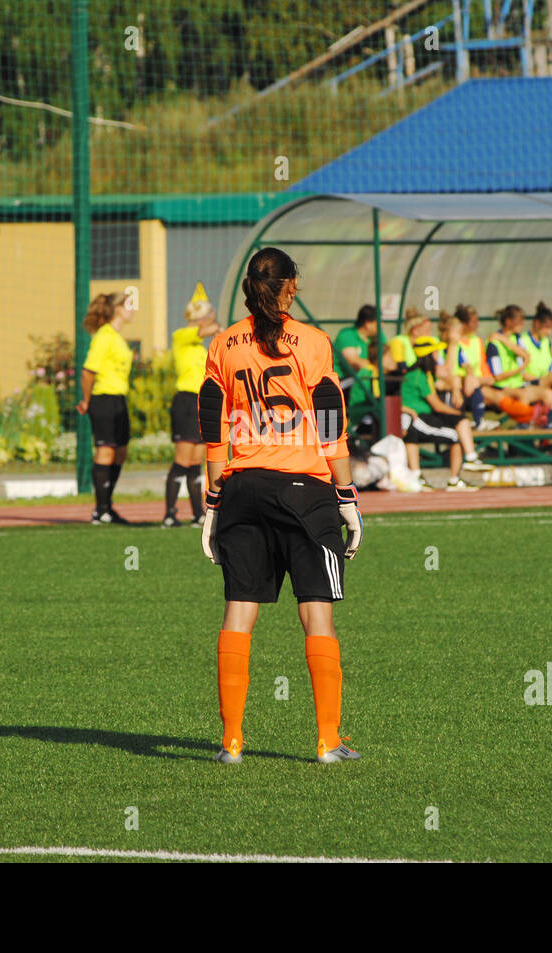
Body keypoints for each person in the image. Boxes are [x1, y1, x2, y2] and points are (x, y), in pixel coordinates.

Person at [198, 246, 364, 765]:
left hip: (243, 487)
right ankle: (328, 741)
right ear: (289, 287)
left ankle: (231, 744)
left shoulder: (223, 343)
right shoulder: (313, 342)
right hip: (304, 492)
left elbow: (212, 426)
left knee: (238, 615)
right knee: (317, 615)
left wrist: (212, 501)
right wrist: (347, 496)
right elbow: (331, 420)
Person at [399, 336, 492, 491]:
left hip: (422, 418)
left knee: (457, 425)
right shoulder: (418, 376)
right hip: (417, 419)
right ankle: (456, 477)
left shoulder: (424, 374)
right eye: (435, 352)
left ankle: (463, 467)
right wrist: (457, 413)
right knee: (454, 434)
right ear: (429, 355)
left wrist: (455, 389)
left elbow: (447, 377)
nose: (438, 356)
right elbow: (437, 406)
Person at [76, 291, 135, 524]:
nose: (132, 309)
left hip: (119, 398)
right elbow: (88, 371)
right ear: (118, 308)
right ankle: (100, 510)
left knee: (121, 452)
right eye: (129, 305)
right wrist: (87, 401)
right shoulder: (104, 335)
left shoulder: (117, 337)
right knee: (106, 450)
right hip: (103, 398)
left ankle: (107, 506)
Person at [163, 293, 221, 527]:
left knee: (197, 460)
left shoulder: (198, 347)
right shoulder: (182, 335)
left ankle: (198, 513)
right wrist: (217, 327)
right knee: (182, 459)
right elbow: (206, 330)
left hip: (201, 401)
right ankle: (170, 513)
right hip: (186, 401)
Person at [482, 305, 548, 426]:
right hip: (502, 386)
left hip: (518, 384)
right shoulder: (493, 344)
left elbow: (526, 356)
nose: (523, 323)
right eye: (519, 321)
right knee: (523, 396)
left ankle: (547, 437)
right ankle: (522, 437)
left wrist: (505, 340)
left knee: (549, 394)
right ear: (508, 322)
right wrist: (519, 370)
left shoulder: (515, 338)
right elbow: (498, 377)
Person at [334, 305, 379, 417]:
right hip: (342, 382)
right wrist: (376, 366)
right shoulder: (347, 335)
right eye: (378, 322)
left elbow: (386, 357)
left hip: (366, 379)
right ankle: (356, 423)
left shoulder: (377, 337)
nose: (382, 325)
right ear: (368, 323)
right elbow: (354, 363)